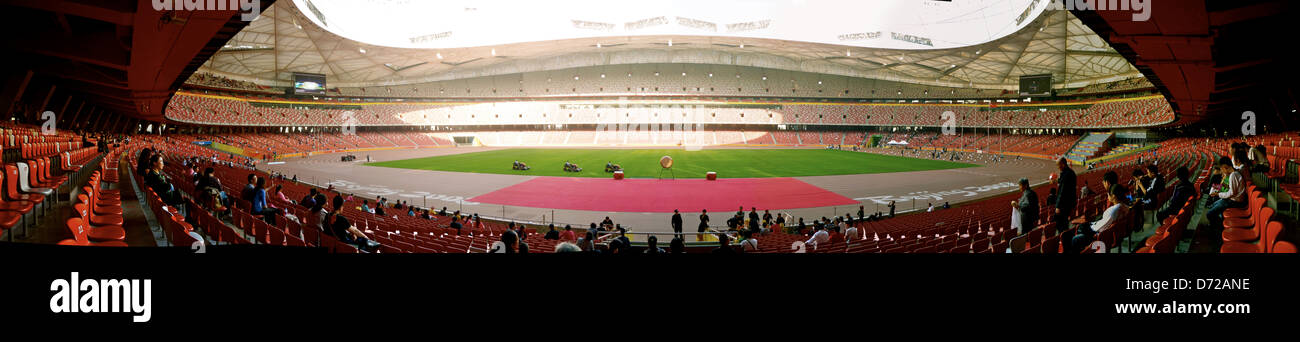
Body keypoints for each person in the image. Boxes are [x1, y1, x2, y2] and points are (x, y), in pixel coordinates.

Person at [1069, 187, 1127, 253]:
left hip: (1099, 236)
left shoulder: (1112, 211)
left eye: (1108, 194)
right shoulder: (1123, 206)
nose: (1107, 196)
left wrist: (1090, 226)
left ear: (1113, 196)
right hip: (1107, 234)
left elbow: (1099, 228)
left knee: (1075, 238)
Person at [1205, 157, 1247, 230]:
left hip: (1234, 202)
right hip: (1232, 200)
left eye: (1222, 169)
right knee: (1213, 205)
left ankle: (1218, 229)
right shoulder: (1234, 174)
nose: (1222, 171)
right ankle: (1218, 224)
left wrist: (1218, 194)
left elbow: (1231, 193)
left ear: (1225, 167)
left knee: (1209, 214)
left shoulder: (1233, 175)